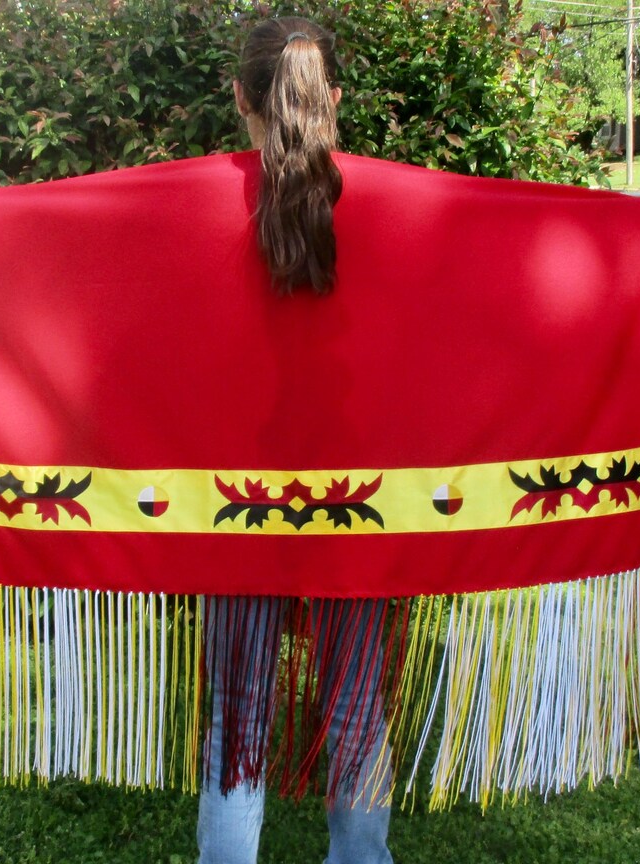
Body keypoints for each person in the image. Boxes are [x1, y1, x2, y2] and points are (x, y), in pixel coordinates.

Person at [196, 17, 395, 864]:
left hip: (233, 510)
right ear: (336, 97)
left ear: (238, 96)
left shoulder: (187, 206)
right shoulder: (395, 204)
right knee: (356, 707)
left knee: (238, 715)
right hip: (369, 507)